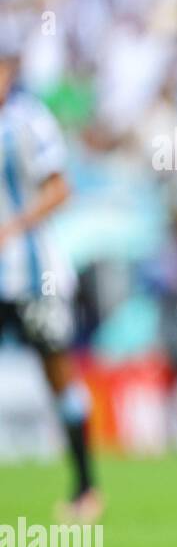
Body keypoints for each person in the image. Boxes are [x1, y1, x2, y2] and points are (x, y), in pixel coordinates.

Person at [0, 50, 101, 522]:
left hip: (31, 271)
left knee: (56, 371)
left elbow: (61, 188)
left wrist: (13, 226)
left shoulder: (28, 120)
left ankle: (85, 487)